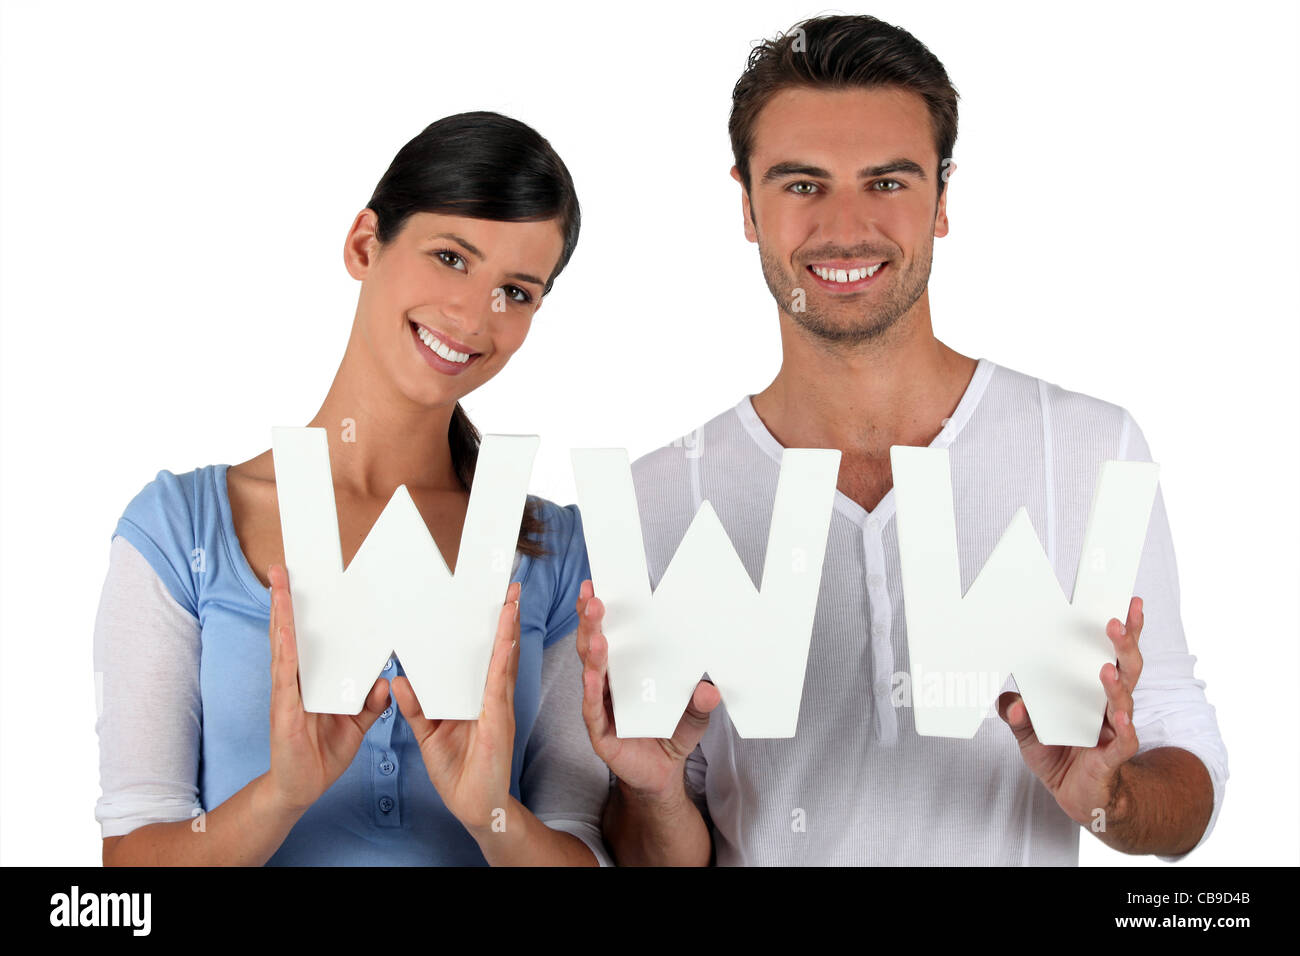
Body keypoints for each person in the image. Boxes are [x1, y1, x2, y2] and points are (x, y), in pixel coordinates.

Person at [575, 14, 1228, 865]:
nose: (847, 228)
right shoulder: (656, 497)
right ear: (746, 205)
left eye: (887, 182)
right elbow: (661, 854)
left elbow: (1181, 748)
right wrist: (651, 789)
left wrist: (1112, 799)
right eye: (802, 184)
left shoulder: (1089, 446)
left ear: (943, 200)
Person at [93, 111, 611, 865]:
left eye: (517, 292)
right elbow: (129, 868)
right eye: (450, 257)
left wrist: (492, 816)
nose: (474, 316)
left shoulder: (555, 551)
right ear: (365, 244)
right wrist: (280, 797)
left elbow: (582, 847)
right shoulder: (181, 531)